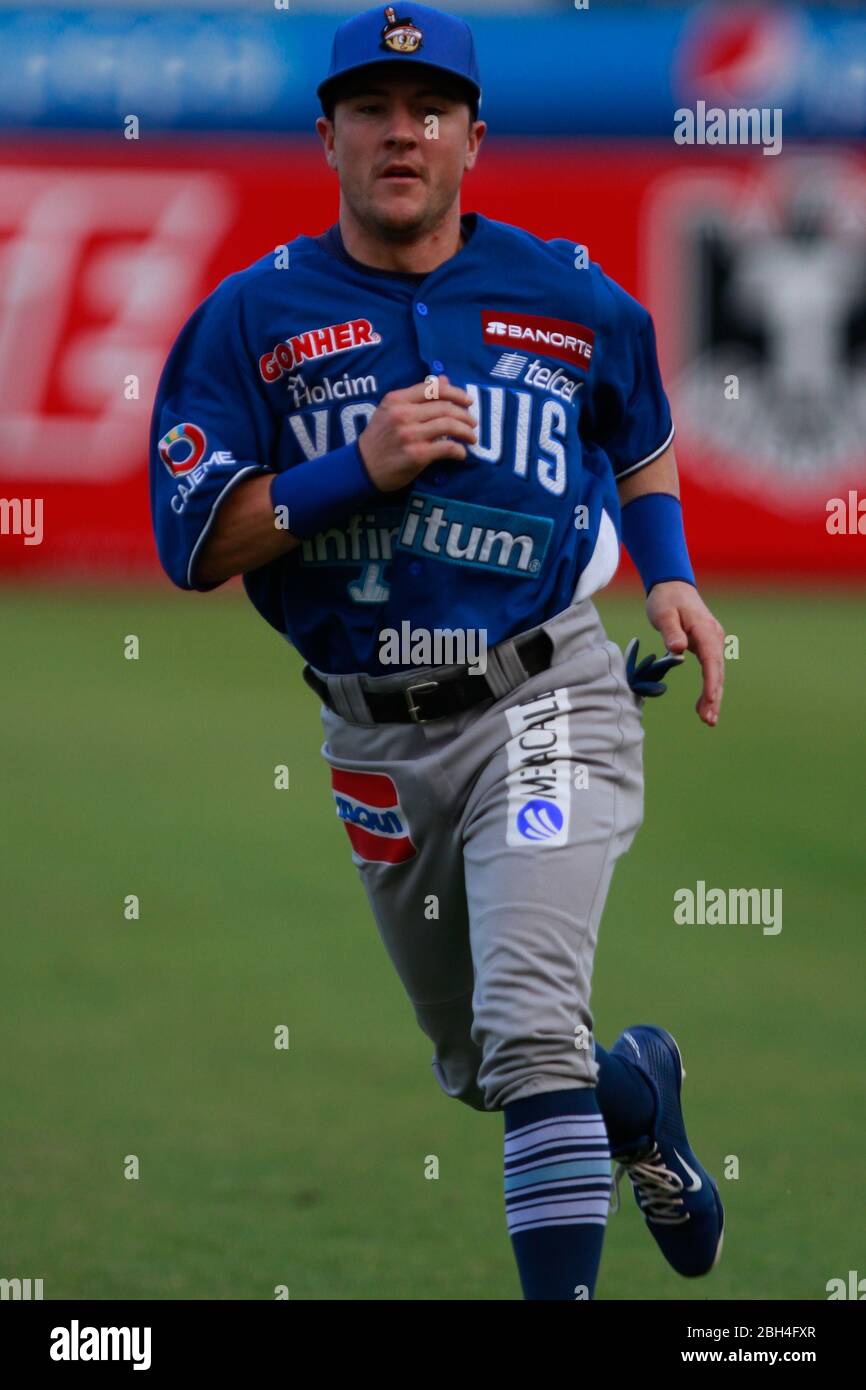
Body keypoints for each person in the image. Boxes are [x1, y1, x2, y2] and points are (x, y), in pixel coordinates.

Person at [149, 3, 726, 1300]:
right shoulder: (252, 318)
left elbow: (634, 427)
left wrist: (671, 570)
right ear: (329, 137)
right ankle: (632, 1093)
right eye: (369, 109)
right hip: (374, 734)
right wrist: (355, 466)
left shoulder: (568, 296)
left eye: (427, 111)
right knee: (486, 1060)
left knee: (526, 1030)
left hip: (546, 697)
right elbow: (195, 545)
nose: (398, 131)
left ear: (473, 138)